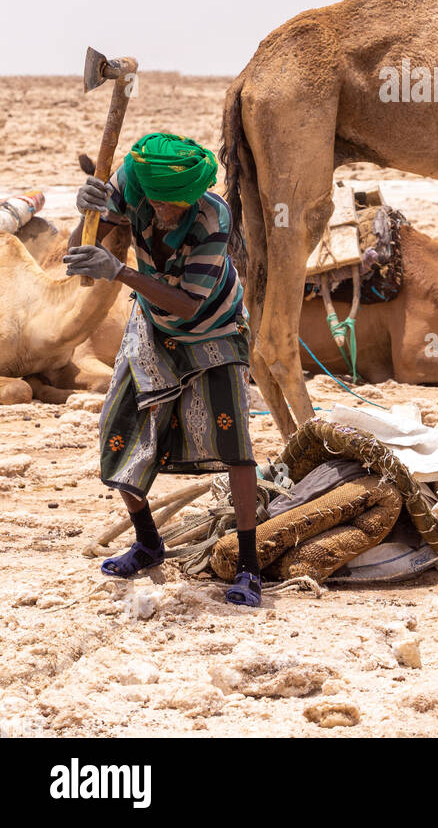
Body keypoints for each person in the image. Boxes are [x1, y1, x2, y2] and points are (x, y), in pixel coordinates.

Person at [63, 131, 262, 608]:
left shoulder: (213, 218)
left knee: (234, 444)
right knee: (121, 430)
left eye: (178, 203)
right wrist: (86, 212)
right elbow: (80, 261)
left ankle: (249, 566)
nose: (168, 211)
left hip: (213, 329)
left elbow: (189, 305)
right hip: (152, 323)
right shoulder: (131, 184)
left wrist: (122, 273)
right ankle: (148, 542)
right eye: (160, 202)